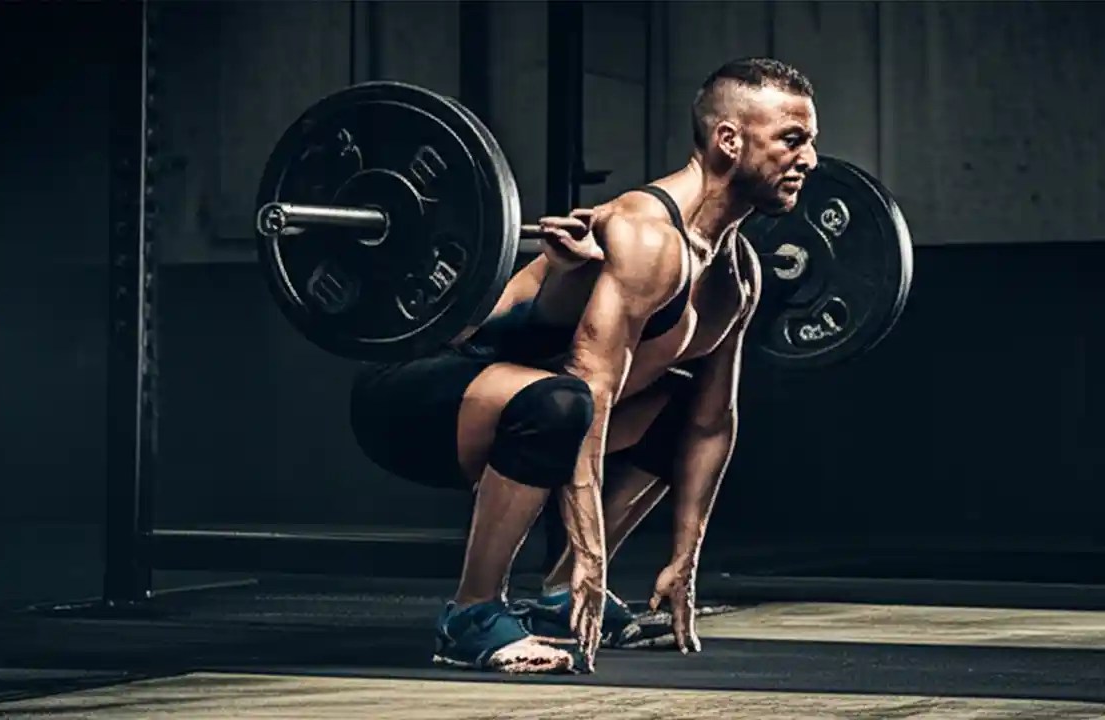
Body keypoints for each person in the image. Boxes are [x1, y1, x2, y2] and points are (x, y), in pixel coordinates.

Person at [348, 57, 818, 673]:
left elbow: (709, 423)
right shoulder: (648, 237)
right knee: (563, 402)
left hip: (530, 407)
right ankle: (471, 614)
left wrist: (685, 557)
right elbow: (587, 390)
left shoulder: (737, 274)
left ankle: (558, 597)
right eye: (793, 139)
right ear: (729, 140)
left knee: (672, 406)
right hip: (415, 396)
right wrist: (593, 552)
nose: (809, 159)